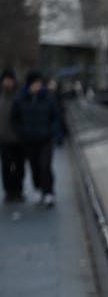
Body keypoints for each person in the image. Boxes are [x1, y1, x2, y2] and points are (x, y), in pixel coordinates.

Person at [11, 70, 59, 207]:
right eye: (34, 84)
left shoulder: (48, 98)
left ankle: (49, 192)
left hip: (46, 139)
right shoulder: (20, 99)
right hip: (29, 140)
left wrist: (51, 131)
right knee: (34, 166)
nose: (37, 87)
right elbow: (15, 119)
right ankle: (38, 188)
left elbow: (55, 117)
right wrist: (22, 132)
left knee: (45, 165)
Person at [1, 69, 25, 202]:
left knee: (19, 167)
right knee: (6, 167)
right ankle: (9, 191)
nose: (8, 83)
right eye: (6, 80)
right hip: (4, 140)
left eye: (10, 80)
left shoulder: (19, 96)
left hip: (19, 139)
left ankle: (18, 190)